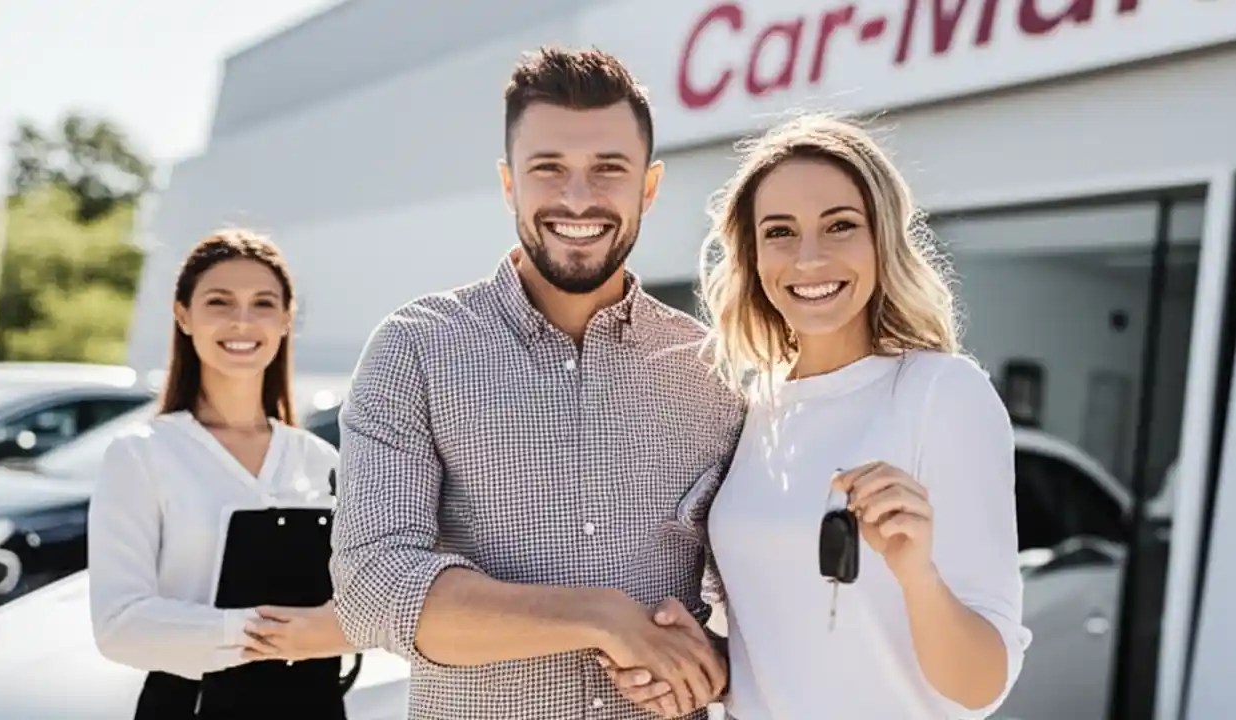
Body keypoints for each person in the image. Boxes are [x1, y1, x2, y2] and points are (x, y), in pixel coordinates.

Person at [329, 47, 744, 720]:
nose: (577, 199)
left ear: (649, 186)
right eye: (548, 168)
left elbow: (766, 596)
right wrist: (600, 616)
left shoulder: (713, 371)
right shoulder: (415, 350)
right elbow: (373, 589)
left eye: (609, 169)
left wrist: (717, 664)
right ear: (508, 183)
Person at [694, 114, 1032, 718]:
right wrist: (695, 653)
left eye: (840, 226)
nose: (809, 259)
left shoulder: (942, 392)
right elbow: (778, 647)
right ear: (752, 254)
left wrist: (916, 573)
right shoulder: (755, 406)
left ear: (882, 240)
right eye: (780, 232)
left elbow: (982, 683)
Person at [88, 229, 358, 719]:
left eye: (263, 304)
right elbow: (119, 625)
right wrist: (276, 635)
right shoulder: (142, 455)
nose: (242, 321)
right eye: (219, 301)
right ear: (183, 316)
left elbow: (365, 603)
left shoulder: (320, 460)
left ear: (286, 320)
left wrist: (341, 630)